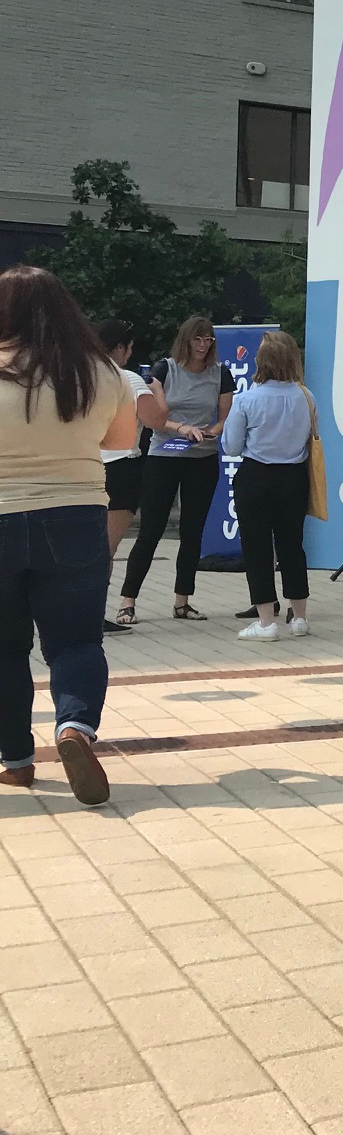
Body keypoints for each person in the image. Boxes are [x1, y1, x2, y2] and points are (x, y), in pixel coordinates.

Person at [1, 266, 138, 804]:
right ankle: (74, 729)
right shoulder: (101, 371)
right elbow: (120, 439)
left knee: (5, 650)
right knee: (77, 641)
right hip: (76, 515)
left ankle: (15, 760)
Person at [114, 316, 232, 625]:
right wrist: (181, 428)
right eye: (197, 340)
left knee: (192, 532)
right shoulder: (164, 369)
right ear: (186, 340)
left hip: (202, 456)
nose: (203, 347)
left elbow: (224, 418)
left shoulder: (221, 373)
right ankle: (128, 600)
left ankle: (183, 601)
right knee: (151, 529)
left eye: (208, 341)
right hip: (164, 454)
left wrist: (210, 431)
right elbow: (153, 417)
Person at [220, 332, 315, 642]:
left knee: (257, 547)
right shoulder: (306, 396)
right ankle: (299, 616)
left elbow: (232, 445)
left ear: (260, 362)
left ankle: (265, 622)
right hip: (294, 477)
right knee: (292, 545)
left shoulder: (247, 399)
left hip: (256, 476)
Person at [93, 320, 151, 634]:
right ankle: (93, 612)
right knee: (107, 548)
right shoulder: (126, 377)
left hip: (91, 463)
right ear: (120, 348)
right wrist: (156, 391)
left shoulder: (81, 373)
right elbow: (154, 417)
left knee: (90, 543)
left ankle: (84, 610)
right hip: (122, 465)